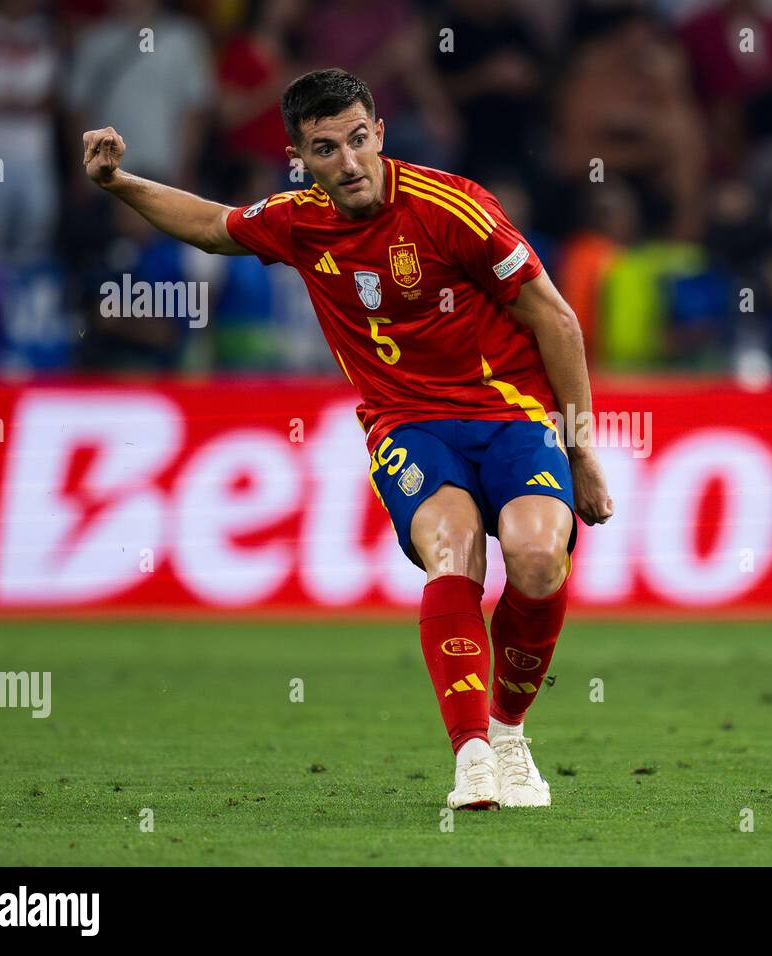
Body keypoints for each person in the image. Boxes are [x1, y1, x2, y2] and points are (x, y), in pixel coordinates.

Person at [81, 68, 613, 811]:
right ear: (302, 156)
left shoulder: (453, 207)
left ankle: (509, 734)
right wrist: (118, 183)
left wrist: (583, 450)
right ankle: (472, 759)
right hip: (408, 424)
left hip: (512, 414)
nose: (349, 162)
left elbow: (555, 318)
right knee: (453, 550)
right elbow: (211, 224)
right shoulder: (298, 220)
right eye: (326, 149)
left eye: (359, 140)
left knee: (533, 557)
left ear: (380, 134)